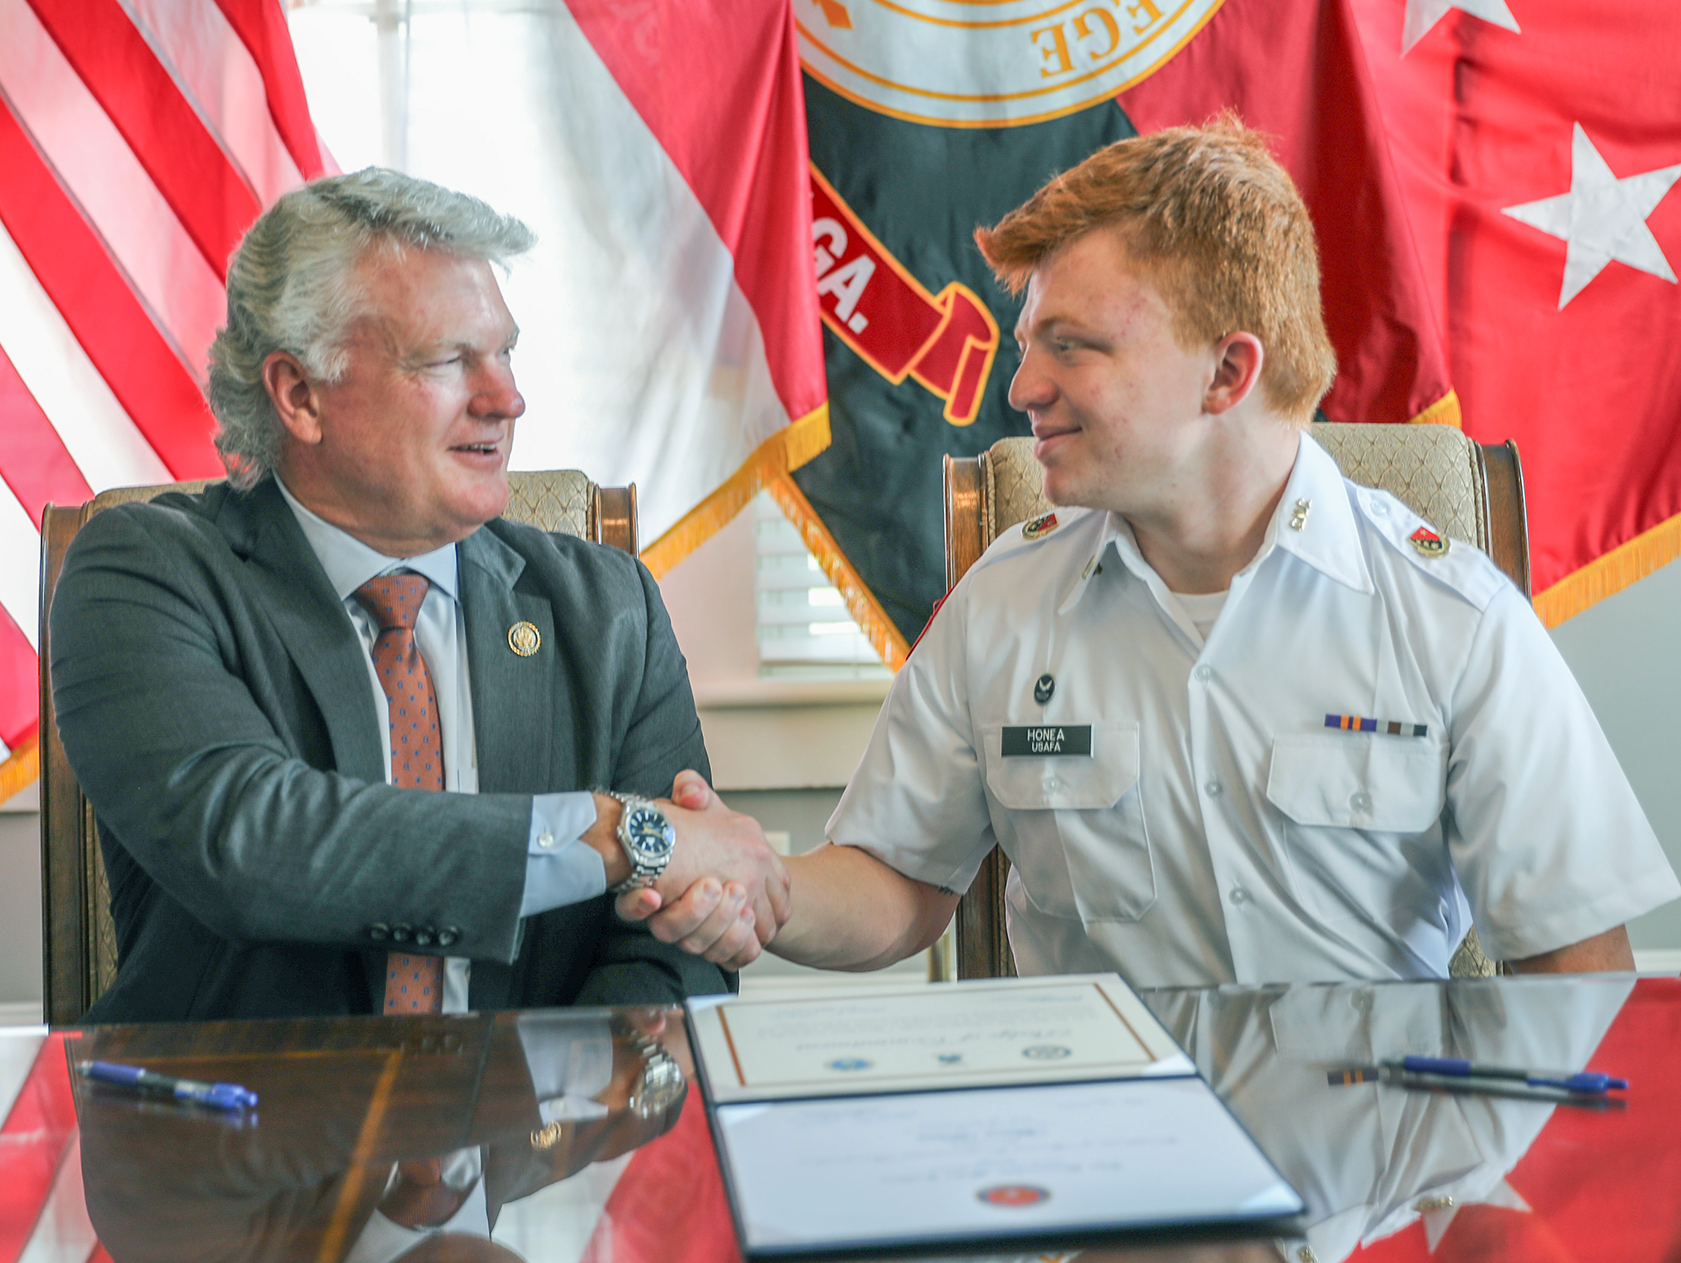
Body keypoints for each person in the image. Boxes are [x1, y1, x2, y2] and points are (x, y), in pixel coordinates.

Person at [628, 119, 1680, 986]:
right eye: (1028, 339)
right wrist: (766, 880)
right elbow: (898, 883)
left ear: (1226, 373)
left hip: (1368, 1192)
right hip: (1096, 1185)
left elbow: (1575, 974)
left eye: (1070, 345)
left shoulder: (1452, 620)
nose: (1019, 386)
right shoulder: (1005, 600)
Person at [49, 168, 783, 1023]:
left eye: (504, 351)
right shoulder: (145, 571)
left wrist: (558, 1110)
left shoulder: (609, 607)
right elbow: (254, 842)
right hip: (235, 1137)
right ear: (299, 395)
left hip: (537, 1137)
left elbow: (671, 951)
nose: (506, 399)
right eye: (446, 359)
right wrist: (618, 834)